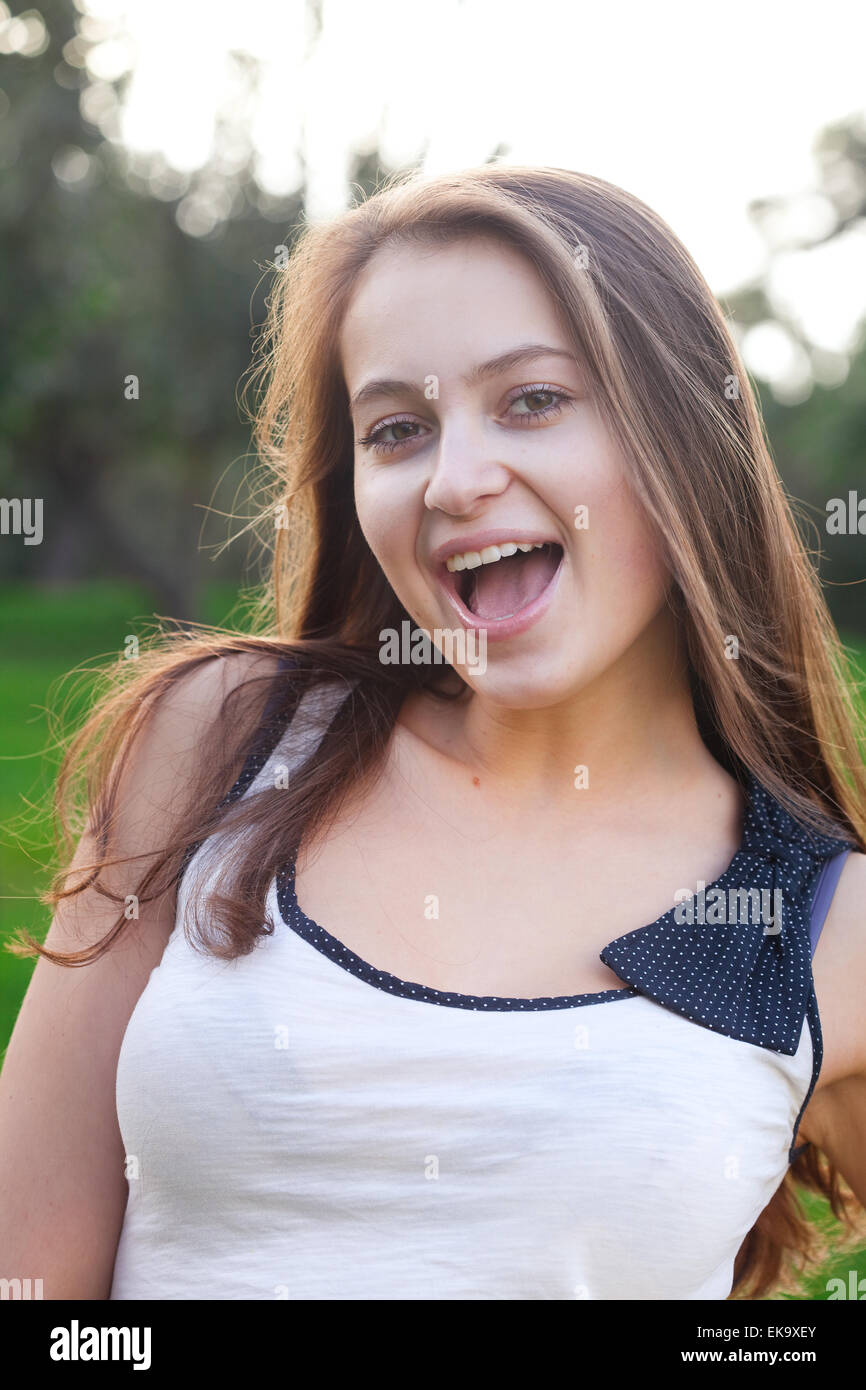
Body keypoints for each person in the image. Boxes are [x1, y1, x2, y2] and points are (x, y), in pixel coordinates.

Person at [1, 164, 865, 1301]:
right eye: (397, 428)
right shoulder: (216, 743)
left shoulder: (821, 921)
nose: (453, 480)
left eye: (533, 400)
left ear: (683, 435)